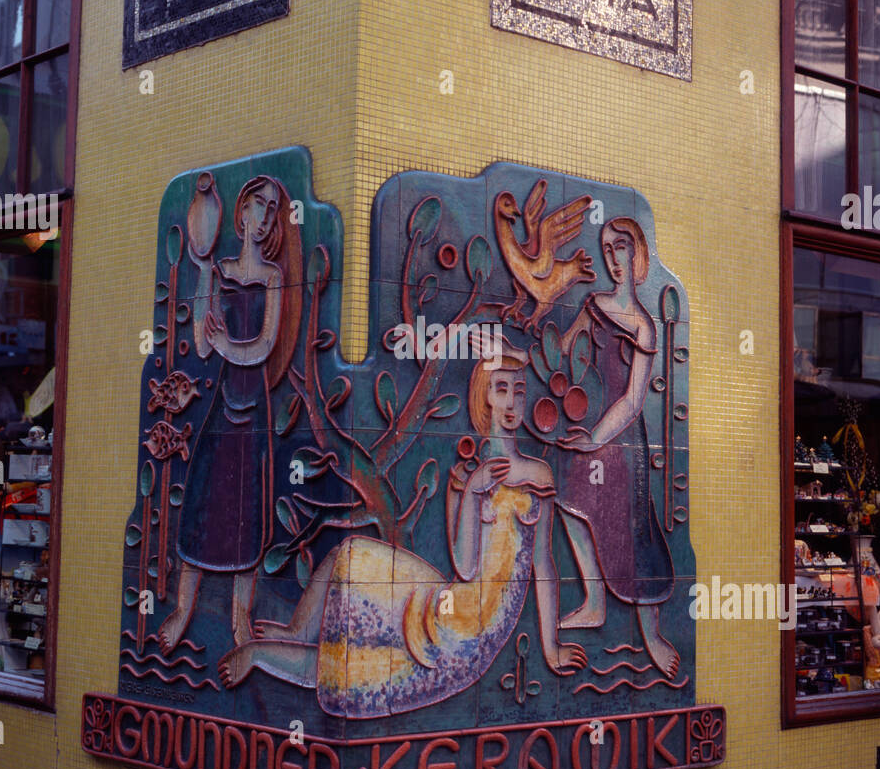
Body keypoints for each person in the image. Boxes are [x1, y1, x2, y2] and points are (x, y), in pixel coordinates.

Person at [218, 345, 588, 714]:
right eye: (501, 388)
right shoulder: (464, 478)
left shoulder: (539, 476)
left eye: (519, 391)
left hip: (468, 633)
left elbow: (544, 565)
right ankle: (296, 633)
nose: (511, 402)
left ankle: (259, 654)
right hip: (449, 602)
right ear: (485, 396)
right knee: (346, 558)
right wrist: (474, 491)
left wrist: (551, 646)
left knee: (355, 665)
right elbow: (464, 566)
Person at [158, 176, 299, 654]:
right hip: (221, 406)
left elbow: (262, 346)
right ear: (239, 213)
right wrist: (200, 269)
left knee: (248, 506)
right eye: (257, 205)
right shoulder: (218, 272)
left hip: (253, 404)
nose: (264, 216)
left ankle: (241, 618)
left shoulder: (275, 277)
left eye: (272, 208)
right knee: (201, 501)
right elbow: (200, 343)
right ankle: (182, 611)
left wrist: (225, 346)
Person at [555, 216, 681, 680]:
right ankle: (593, 599)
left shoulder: (646, 328)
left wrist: (596, 438)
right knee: (568, 500)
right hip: (589, 423)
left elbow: (632, 400)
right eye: (607, 249)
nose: (612, 257)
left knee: (636, 531)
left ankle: (651, 634)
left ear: (638, 254)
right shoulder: (593, 306)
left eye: (621, 248)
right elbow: (562, 350)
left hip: (623, 439)